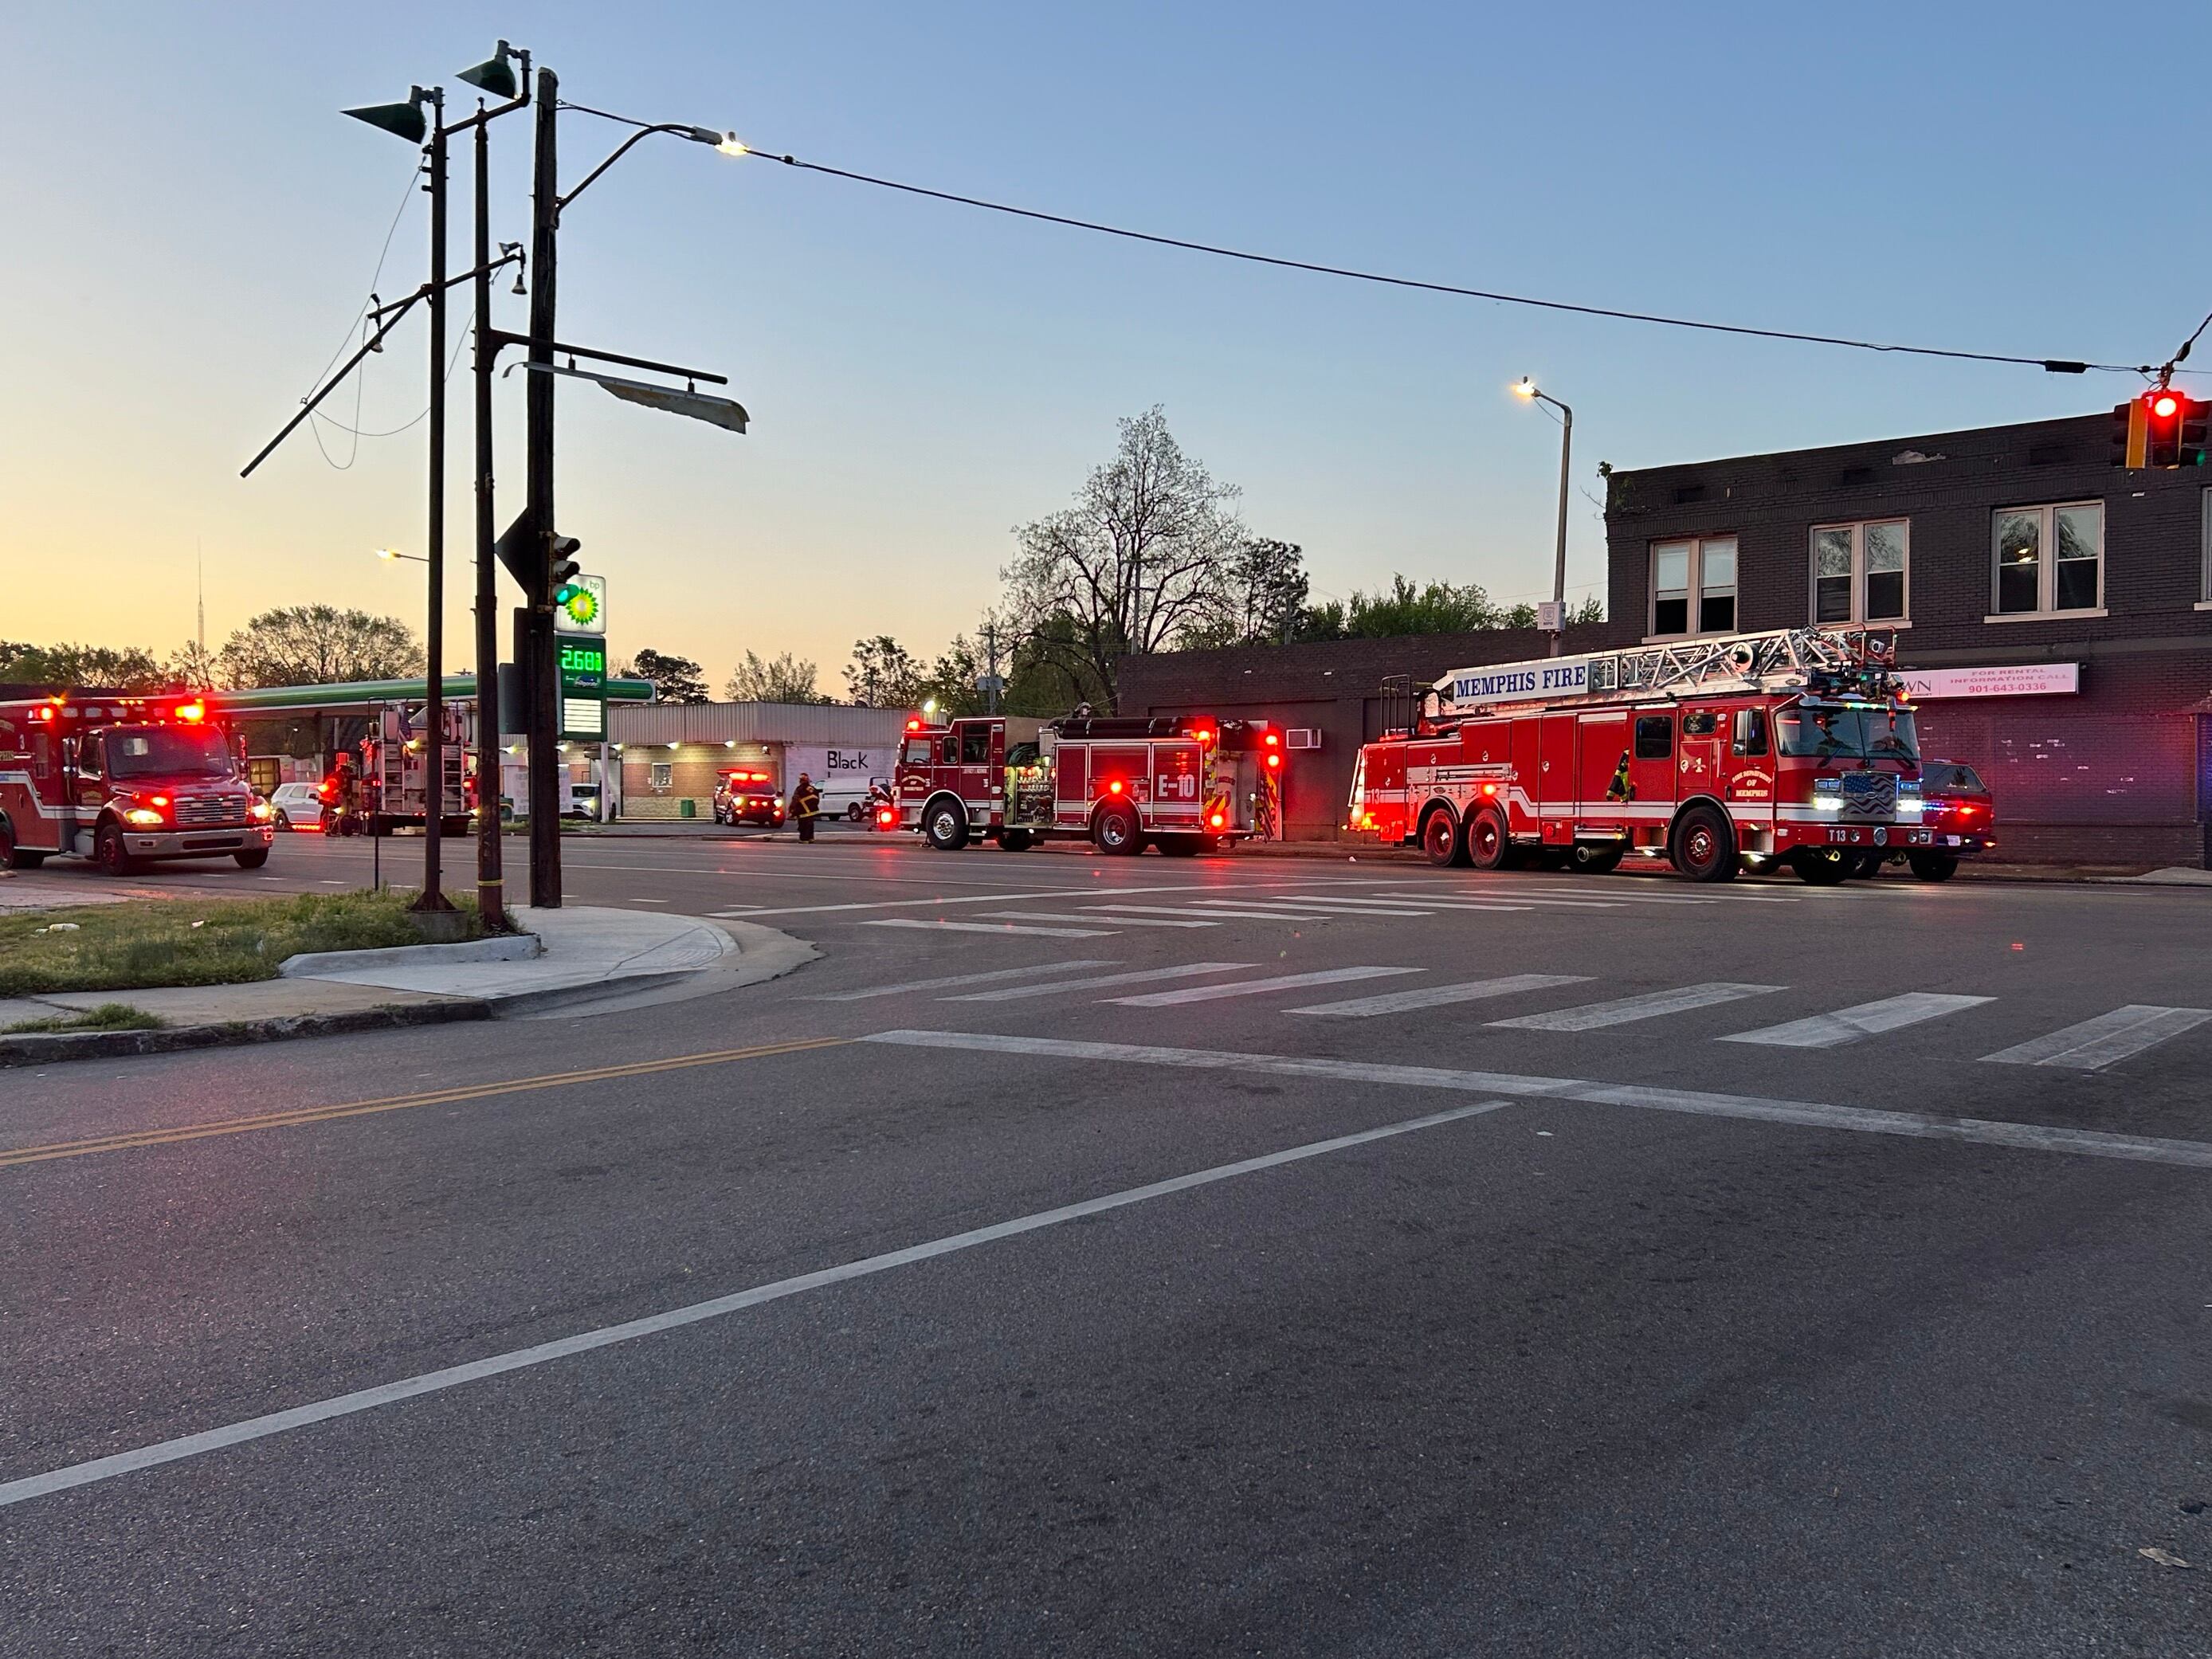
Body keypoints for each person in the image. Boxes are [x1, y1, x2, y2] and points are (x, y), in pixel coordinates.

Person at [790, 771, 822, 843]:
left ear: (801, 781)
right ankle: (811, 838)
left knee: (803, 825)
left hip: (803, 810)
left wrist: (791, 810)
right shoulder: (813, 789)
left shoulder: (799, 789)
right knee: (810, 824)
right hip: (813, 810)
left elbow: (795, 800)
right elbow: (817, 799)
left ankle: (804, 839)